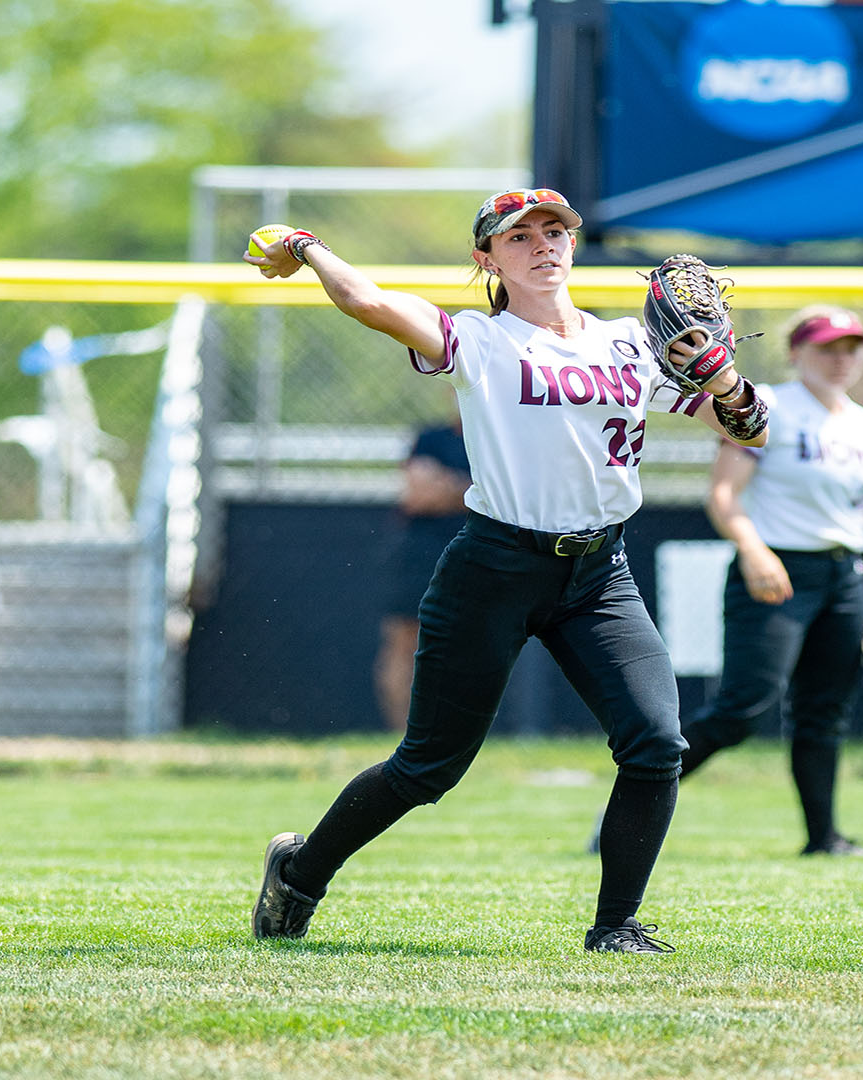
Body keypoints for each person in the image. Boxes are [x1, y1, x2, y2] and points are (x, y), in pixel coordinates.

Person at [242, 188, 770, 953]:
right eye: (519, 236)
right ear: (486, 258)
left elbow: (750, 428)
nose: (543, 244)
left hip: (598, 572)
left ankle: (615, 926)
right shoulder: (480, 341)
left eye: (555, 231)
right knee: (428, 768)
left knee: (658, 743)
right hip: (494, 567)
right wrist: (305, 244)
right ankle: (299, 872)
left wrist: (724, 379)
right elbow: (367, 301)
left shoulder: (630, 343)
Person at [674, 306, 863, 856]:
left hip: (842, 576)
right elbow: (723, 495)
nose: (841, 359)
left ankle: (823, 837)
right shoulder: (769, 407)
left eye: (851, 348)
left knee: (824, 712)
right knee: (743, 708)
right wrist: (753, 551)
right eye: (827, 347)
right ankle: (631, 797)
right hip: (775, 571)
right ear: (795, 351)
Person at [373, 415, 470, 732]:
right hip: (421, 552)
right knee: (404, 642)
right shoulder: (431, 437)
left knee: (468, 645)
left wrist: (449, 485)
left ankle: (450, 735)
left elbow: (515, 491)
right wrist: (474, 488)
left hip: (475, 551)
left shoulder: (500, 437)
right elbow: (419, 494)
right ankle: (402, 737)